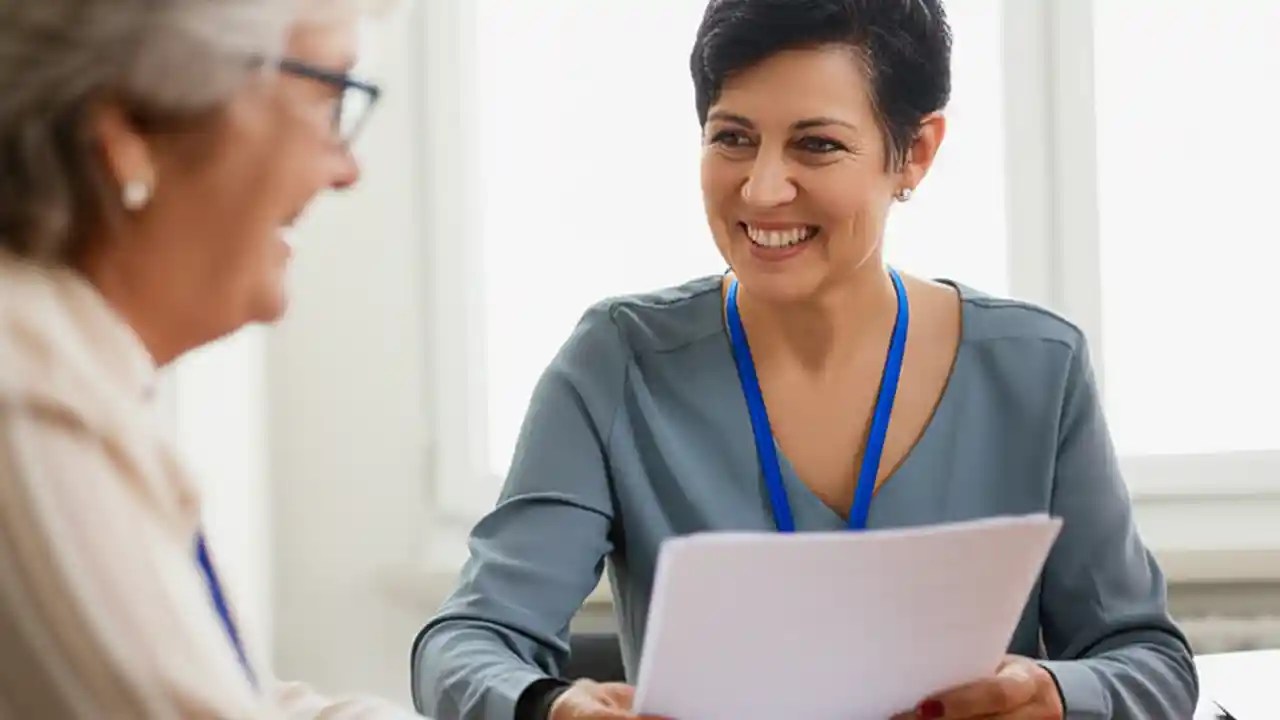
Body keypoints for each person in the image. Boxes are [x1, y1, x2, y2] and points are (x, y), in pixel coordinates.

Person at [411, 1, 1199, 719]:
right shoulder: (616, 362)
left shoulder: (1037, 369)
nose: (761, 189)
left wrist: (1057, 692)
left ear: (914, 152)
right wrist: (549, 706)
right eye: (733, 138)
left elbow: (1150, 662)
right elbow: (467, 642)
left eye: (816, 145)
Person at [0, 0, 422, 717]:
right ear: (132, 125)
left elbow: (240, 696)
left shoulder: (74, 367)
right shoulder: (30, 393)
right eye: (329, 95)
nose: (345, 168)